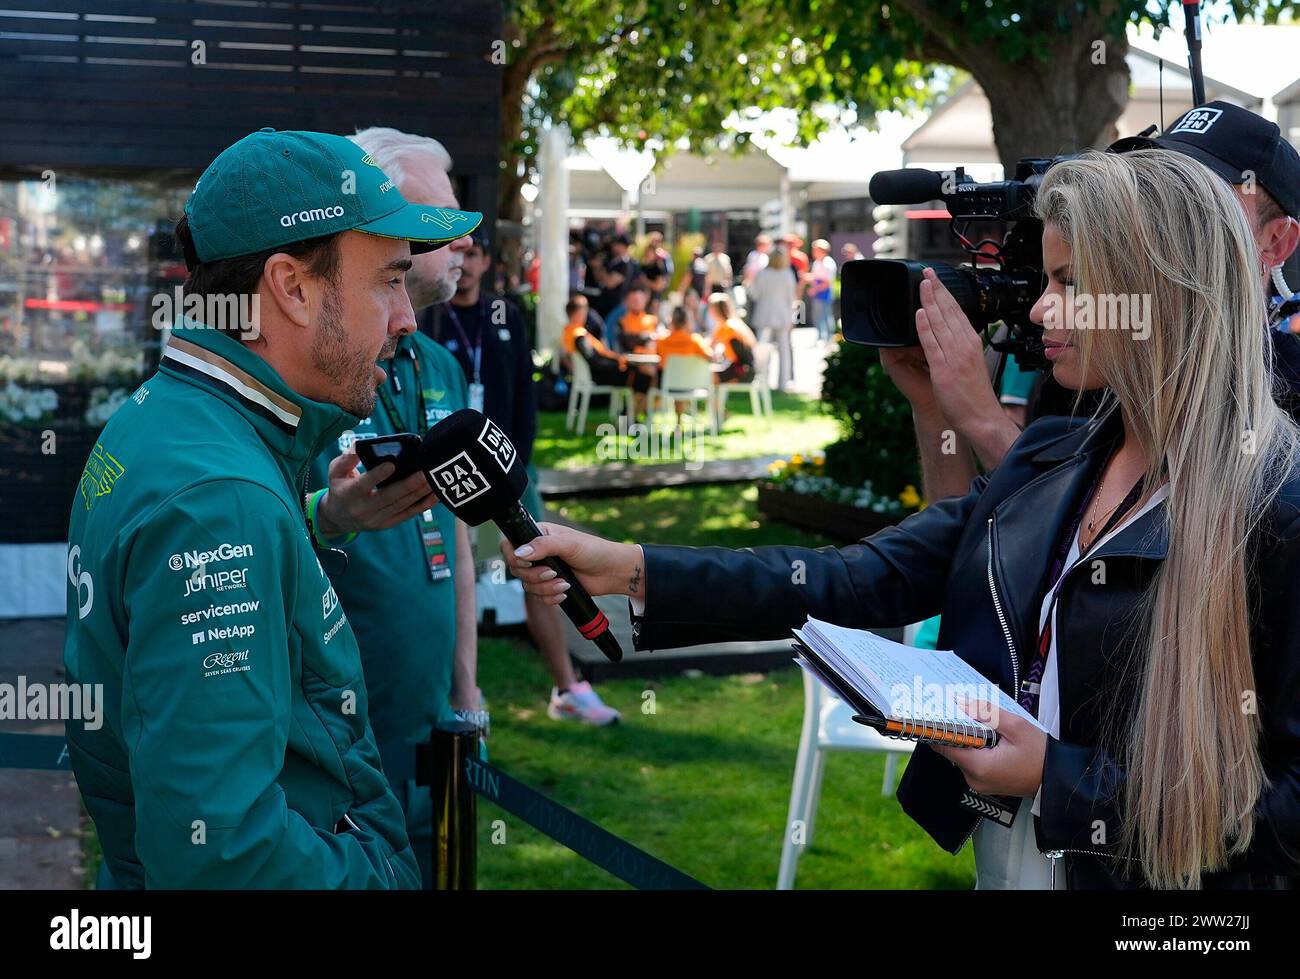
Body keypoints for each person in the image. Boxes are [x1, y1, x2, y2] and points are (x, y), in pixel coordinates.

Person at [504, 150, 1300, 889]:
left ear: (1155, 294)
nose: (1041, 306)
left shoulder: (1276, 507)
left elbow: (1289, 816)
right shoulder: (1056, 456)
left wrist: (1054, 777)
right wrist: (632, 567)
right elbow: (856, 577)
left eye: (1068, 280)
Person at [63, 128, 482, 888]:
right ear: (290, 287)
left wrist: (325, 515)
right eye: (387, 281)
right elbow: (223, 853)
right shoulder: (220, 499)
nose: (405, 319)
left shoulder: (172, 420)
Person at [885, 100, 1300, 502]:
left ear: (1277, 240)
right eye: (1153, 184)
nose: (1166, 208)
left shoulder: (1287, 391)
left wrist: (985, 422)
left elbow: (1107, 551)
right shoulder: (1089, 359)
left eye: (1202, 196)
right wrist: (936, 411)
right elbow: (980, 555)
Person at [302, 128, 483, 889]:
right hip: (334, 722)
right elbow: (260, 522)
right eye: (437, 218)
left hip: (429, 718)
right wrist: (329, 512)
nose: (461, 239)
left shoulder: (437, 360)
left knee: (438, 868)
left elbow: (461, 535)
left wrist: (466, 689)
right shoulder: (314, 361)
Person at [428, 233, 621, 726]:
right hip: (450, 480)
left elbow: (523, 397)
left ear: (486, 259)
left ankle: (568, 687)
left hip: (510, 472)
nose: (464, 263)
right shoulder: (427, 316)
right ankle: (459, 695)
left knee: (544, 572)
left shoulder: (503, 315)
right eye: (455, 253)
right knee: (452, 577)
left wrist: (520, 465)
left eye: (472, 253)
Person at [562, 297, 651, 418]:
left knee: (640, 376)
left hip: (594, 374)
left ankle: (628, 415)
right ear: (576, 313)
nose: (585, 315)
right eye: (583, 312)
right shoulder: (579, 336)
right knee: (643, 378)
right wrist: (618, 364)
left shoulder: (569, 331)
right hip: (599, 376)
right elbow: (594, 362)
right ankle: (628, 417)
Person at [746, 248, 797, 390]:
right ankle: (783, 383)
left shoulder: (762, 274)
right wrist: (793, 317)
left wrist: (748, 284)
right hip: (783, 316)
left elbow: (755, 294)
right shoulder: (788, 275)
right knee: (784, 350)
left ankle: (763, 382)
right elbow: (791, 298)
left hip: (765, 315)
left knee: (762, 350)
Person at [707, 292, 757, 383]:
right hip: (747, 369)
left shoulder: (727, 327)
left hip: (742, 370)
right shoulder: (735, 323)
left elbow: (710, 346)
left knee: (709, 376)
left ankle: (715, 398)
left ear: (715, 310)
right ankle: (717, 397)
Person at [591, 233, 639, 318]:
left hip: (615, 304)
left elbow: (610, 283)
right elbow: (598, 278)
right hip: (604, 302)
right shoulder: (612, 261)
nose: (613, 246)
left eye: (616, 244)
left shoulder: (624, 264)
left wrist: (602, 270)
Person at [807, 238, 837, 345]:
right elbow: (815, 277)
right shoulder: (816, 262)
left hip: (825, 292)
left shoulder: (828, 262)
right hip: (817, 292)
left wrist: (815, 289)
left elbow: (828, 282)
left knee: (826, 315)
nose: (813, 252)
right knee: (817, 315)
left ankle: (829, 337)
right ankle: (820, 336)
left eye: (815, 249)